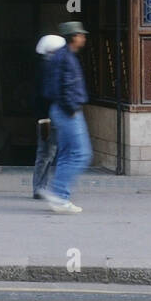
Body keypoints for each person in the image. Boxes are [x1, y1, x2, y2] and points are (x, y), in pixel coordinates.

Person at [36, 21, 92, 214]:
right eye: (81, 35)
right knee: (82, 154)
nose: (83, 38)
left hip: (62, 110)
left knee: (68, 155)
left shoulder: (62, 57)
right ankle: (58, 193)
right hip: (67, 111)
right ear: (73, 37)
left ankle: (61, 198)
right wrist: (72, 108)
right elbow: (64, 87)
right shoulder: (66, 58)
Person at [32, 31, 65, 199]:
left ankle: (42, 186)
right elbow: (45, 95)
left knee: (47, 153)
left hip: (46, 116)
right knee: (46, 152)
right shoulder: (47, 68)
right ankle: (40, 187)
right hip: (47, 117)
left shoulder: (46, 66)